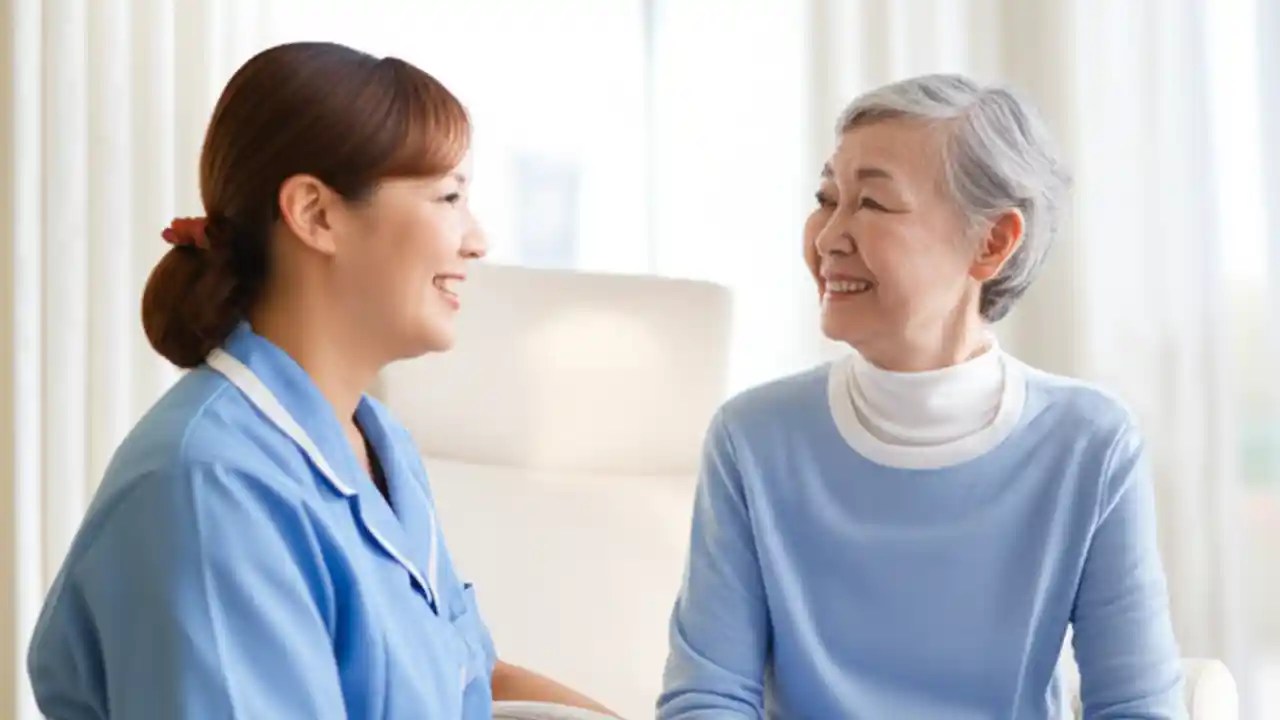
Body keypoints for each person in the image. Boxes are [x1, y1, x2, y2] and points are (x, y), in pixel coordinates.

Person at [28, 41, 613, 720]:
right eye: (449, 197)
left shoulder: (378, 443)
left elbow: (471, 678)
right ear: (315, 213)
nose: (477, 240)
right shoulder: (210, 486)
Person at [658, 74, 1186, 719]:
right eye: (827, 198)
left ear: (992, 242)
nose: (828, 237)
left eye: (872, 204)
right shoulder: (753, 438)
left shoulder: (1090, 444)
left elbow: (1137, 707)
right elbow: (707, 697)